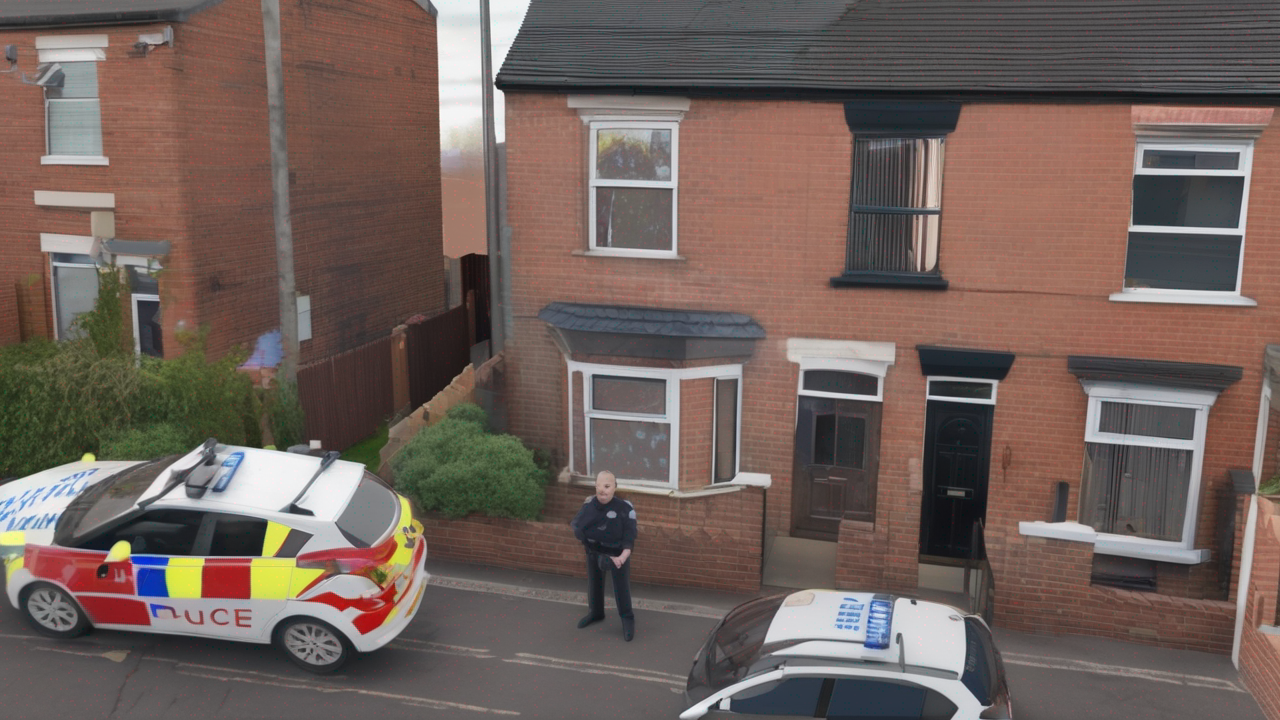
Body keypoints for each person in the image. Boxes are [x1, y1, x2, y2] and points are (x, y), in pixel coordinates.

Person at [570, 470, 637, 641]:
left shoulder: (625, 508)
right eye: (598, 486)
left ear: (615, 487)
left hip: (617, 555)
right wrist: (590, 544)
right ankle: (596, 612)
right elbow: (577, 526)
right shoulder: (589, 505)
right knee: (594, 584)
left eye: (606, 486)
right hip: (593, 551)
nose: (602, 490)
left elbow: (630, 536)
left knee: (621, 588)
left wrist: (622, 557)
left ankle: (627, 619)